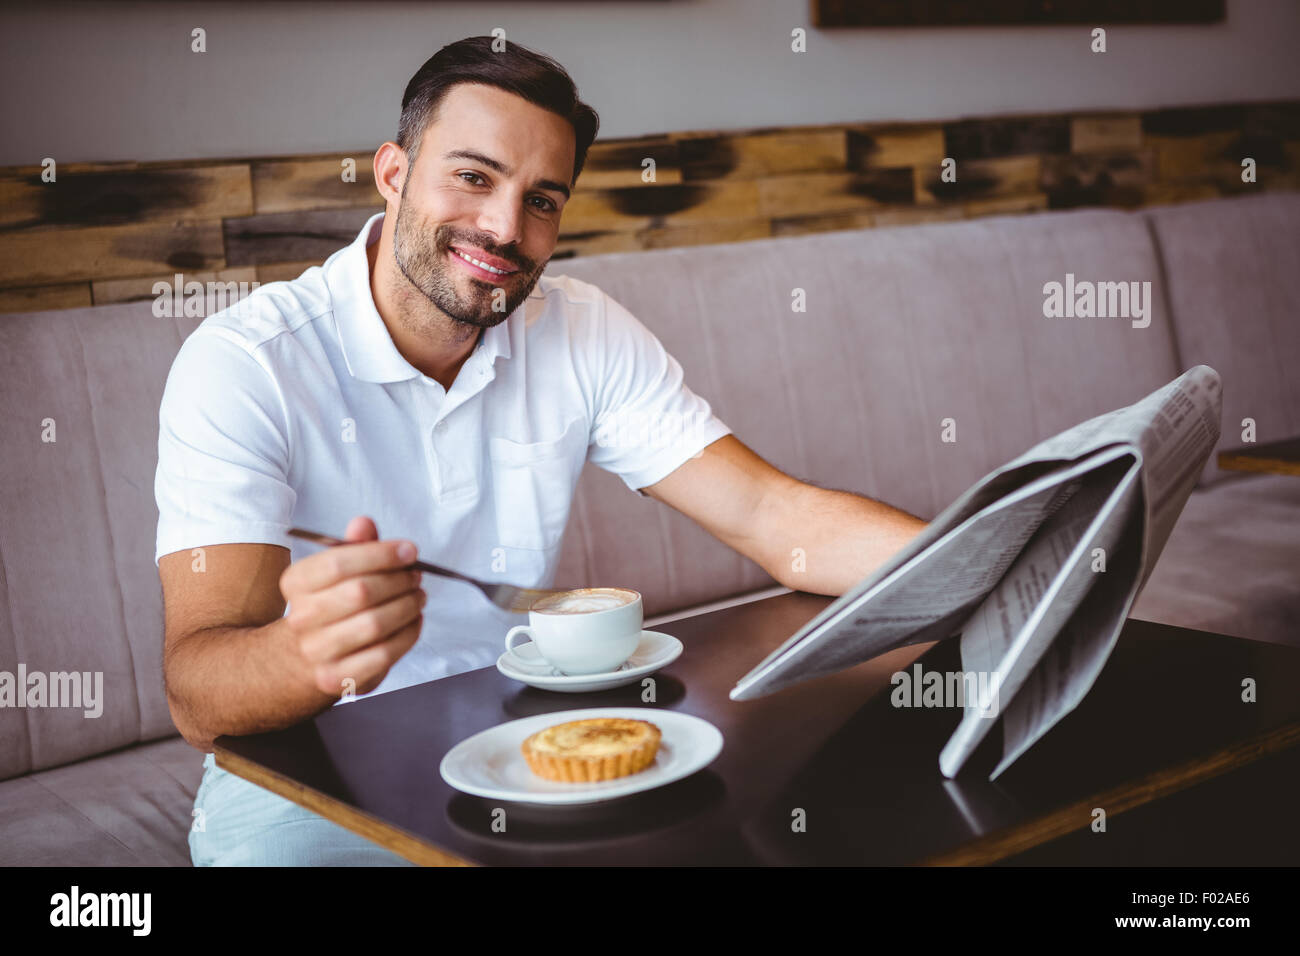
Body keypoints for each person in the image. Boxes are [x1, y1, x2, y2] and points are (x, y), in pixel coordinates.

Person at [156, 36, 928, 866]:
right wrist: (300, 656)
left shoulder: (579, 327)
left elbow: (772, 516)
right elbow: (197, 694)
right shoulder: (246, 363)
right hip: (297, 782)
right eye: (473, 177)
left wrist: (993, 564)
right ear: (392, 172)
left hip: (516, 751)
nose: (504, 227)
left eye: (543, 200)